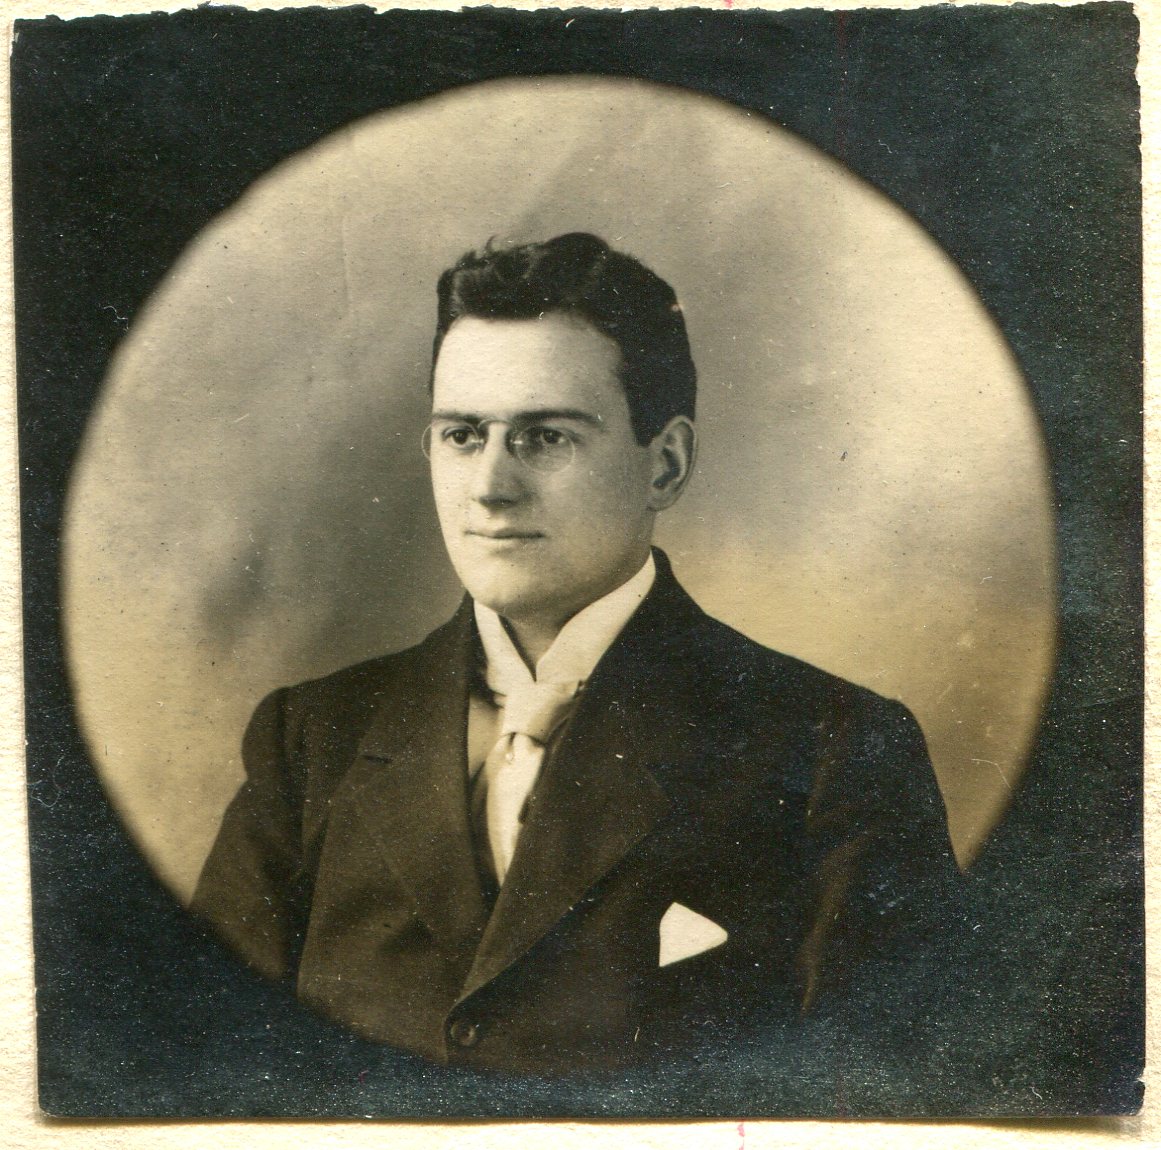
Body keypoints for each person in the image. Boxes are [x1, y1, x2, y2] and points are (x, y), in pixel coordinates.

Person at [192, 232, 963, 1074]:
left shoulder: (831, 747)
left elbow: (876, 1092)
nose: (488, 485)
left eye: (546, 437)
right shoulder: (312, 738)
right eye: (460, 436)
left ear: (663, 466)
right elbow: (209, 1061)